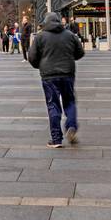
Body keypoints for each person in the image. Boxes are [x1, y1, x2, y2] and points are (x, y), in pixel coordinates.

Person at [26, 12, 84, 148]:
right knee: (69, 101)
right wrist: (70, 58)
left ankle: (56, 139)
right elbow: (80, 52)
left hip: (49, 76)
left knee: (53, 105)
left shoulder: (40, 37)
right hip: (68, 73)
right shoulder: (69, 35)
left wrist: (40, 66)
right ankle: (71, 125)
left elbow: (32, 57)